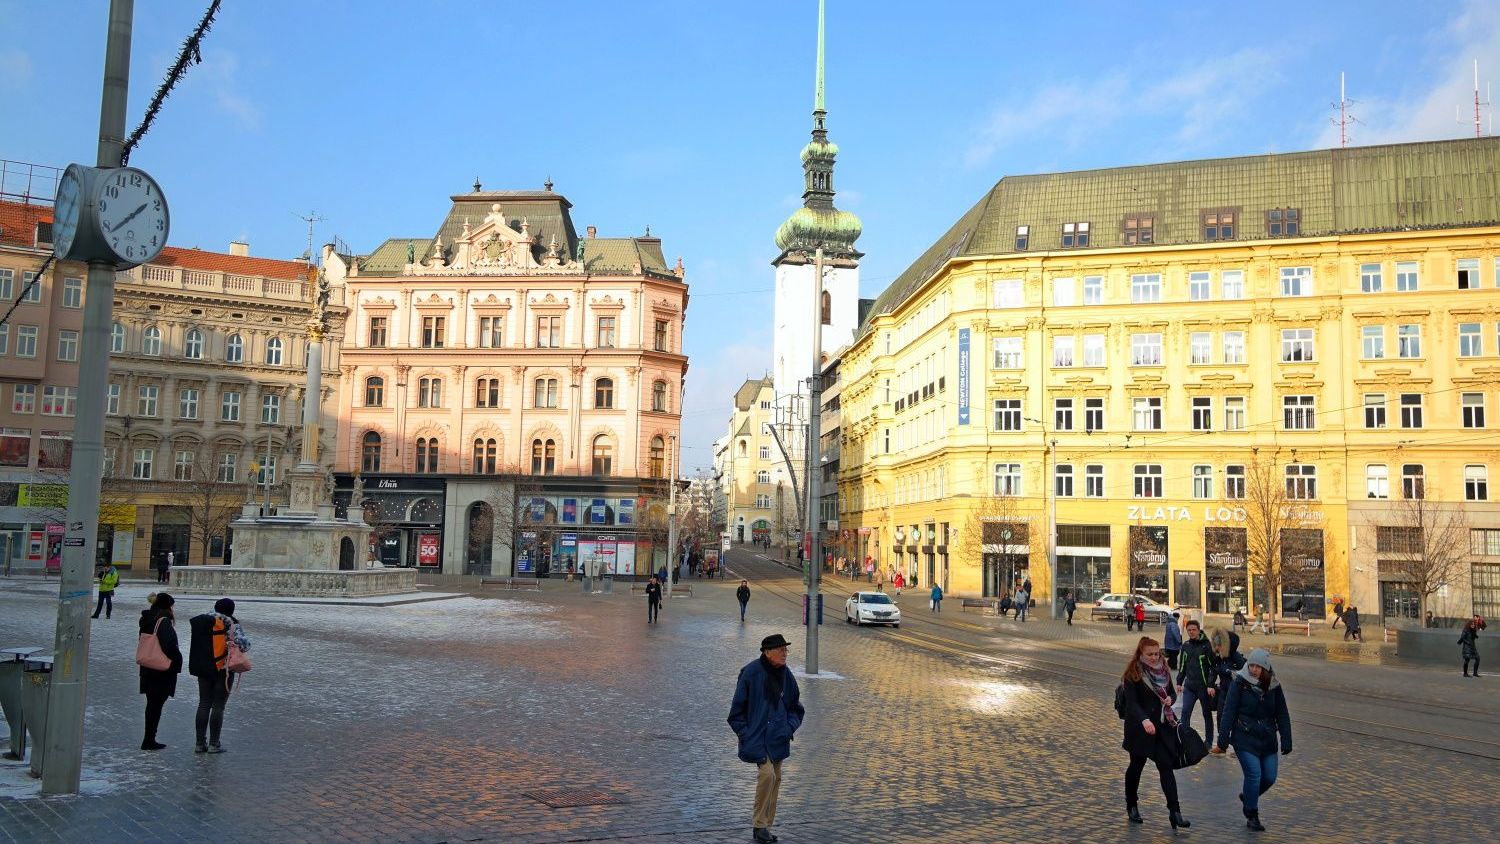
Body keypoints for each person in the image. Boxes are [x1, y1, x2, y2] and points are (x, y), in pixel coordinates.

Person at [727, 633, 804, 844]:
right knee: (767, 775)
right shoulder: (751, 673)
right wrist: (746, 734)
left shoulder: (786, 675)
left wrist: (789, 728)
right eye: (781, 649)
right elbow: (736, 714)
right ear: (767, 652)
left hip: (778, 737)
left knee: (776, 779)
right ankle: (760, 825)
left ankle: (765, 827)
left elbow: (796, 708)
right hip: (758, 738)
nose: (785, 653)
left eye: (786, 649)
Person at [1212, 648, 1292, 832]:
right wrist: (1223, 740)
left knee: (1269, 777)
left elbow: (1282, 713)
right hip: (1244, 736)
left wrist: (1286, 739)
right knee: (1254, 775)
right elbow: (1229, 711)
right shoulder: (1239, 683)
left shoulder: (1274, 686)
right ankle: (1252, 814)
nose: (1254, 669)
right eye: (1251, 665)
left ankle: (1248, 796)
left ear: (1266, 668)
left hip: (1267, 738)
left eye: (1258, 667)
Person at [1120, 636, 1191, 830]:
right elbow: (1132, 703)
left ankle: (1175, 812)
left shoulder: (1164, 670)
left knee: (1166, 766)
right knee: (1136, 766)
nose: (1154, 657)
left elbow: (1172, 693)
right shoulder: (1133, 673)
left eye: (1156, 654)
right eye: (1149, 654)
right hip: (1140, 728)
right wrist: (1144, 720)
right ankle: (1131, 804)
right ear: (1141, 654)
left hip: (1161, 726)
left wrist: (1170, 699)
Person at [189, 598, 249, 753]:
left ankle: (199, 743)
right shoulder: (231, 624)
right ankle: (214, 744)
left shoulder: (203, 621)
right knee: (218, 705)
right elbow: (244, 645)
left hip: (203, 667)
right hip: (223, 669)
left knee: (203, 704)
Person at [137, 592, 182, 751]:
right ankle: (149, 739)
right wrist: (177, 660)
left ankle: (149, 738)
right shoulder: (163, 621)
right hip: (160, 669)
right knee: (156, 705)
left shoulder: (148, 618)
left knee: (152, 704)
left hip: (148, 665)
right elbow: (169, 645)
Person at [1175, 620, 1217, 746]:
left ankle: (1208, 741)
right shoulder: (1186, 645)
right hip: (1189, 686)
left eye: (1194, 630)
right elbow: (1182, 665)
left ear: (1199, 630)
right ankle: (1184, 740)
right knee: (1185, 712)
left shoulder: (1207, 646)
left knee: (1206, 714)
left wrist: (1210, 685)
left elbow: (1213, 667)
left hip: (1203, 687)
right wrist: (1179, 682)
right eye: (1189, 630)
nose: (1191, 632)